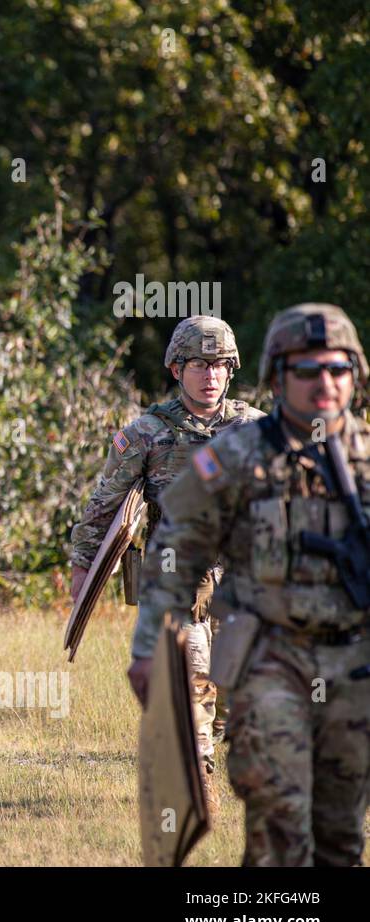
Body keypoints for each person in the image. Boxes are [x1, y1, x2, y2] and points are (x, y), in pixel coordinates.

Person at [130, 303, 370, 866]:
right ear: (280, 375)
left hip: (352, 671)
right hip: (270, 663)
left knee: (342, 833)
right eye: (306, 371)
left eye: (337, 370)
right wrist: (149, 648)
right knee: (281, 823)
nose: (324, 384)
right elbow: (174, 552)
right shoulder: (237, 454)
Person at [70, 316, 262, 783]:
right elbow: (104, 507)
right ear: (177, 369)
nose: (211, 375)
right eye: (199, 364)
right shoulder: (147, 434)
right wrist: (82, 571)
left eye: (219, 365)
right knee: (190, 679)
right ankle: (196, 775)